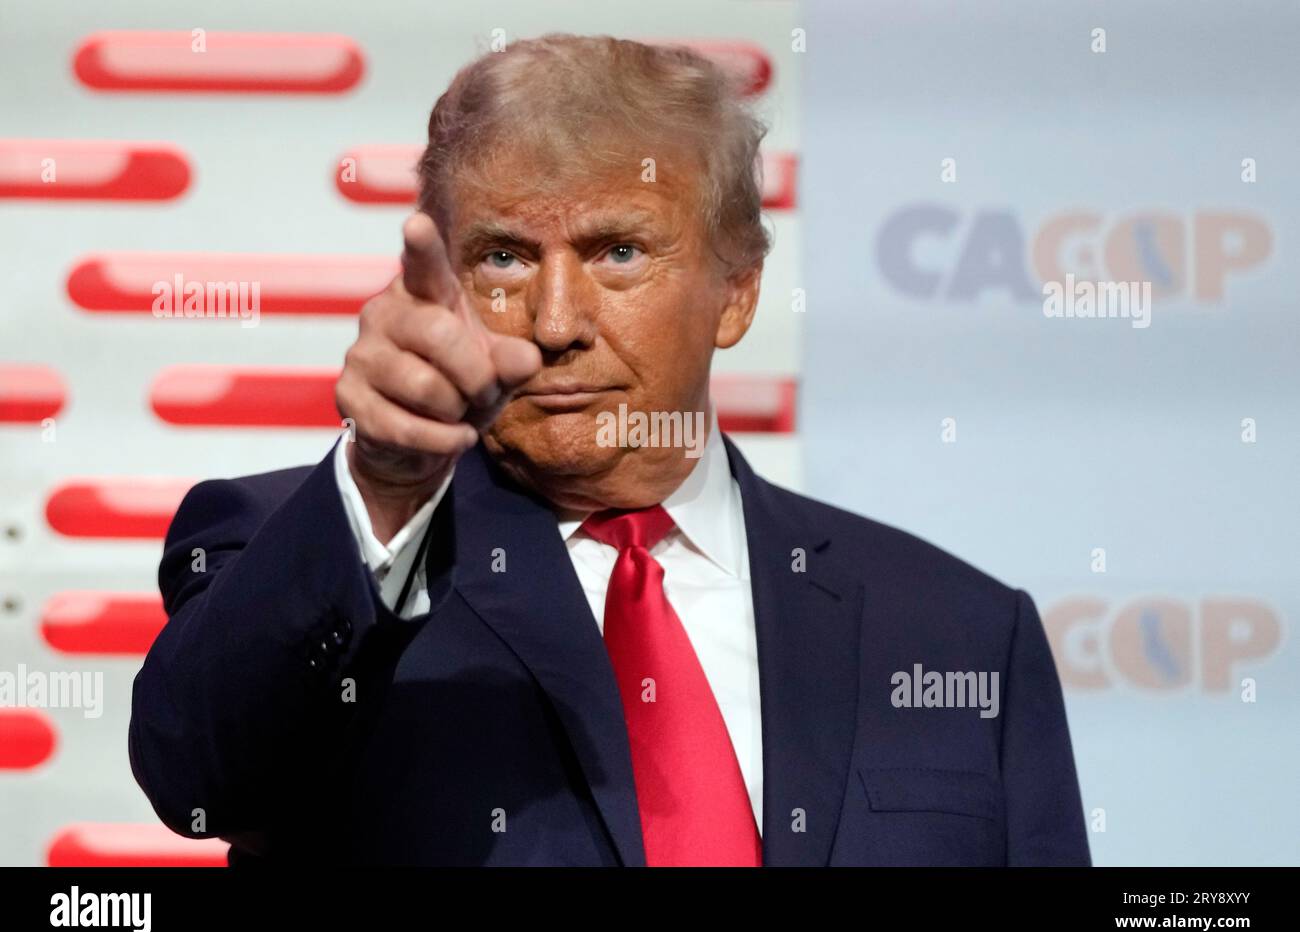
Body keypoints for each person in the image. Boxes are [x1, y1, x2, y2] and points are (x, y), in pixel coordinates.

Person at [129, 34, 1090, 866]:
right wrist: (383, 487)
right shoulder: (306, 551)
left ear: (740, 291)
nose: (553, 323)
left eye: (618, 252)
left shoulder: (959, 633)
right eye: (502, 256)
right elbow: (198, 777)